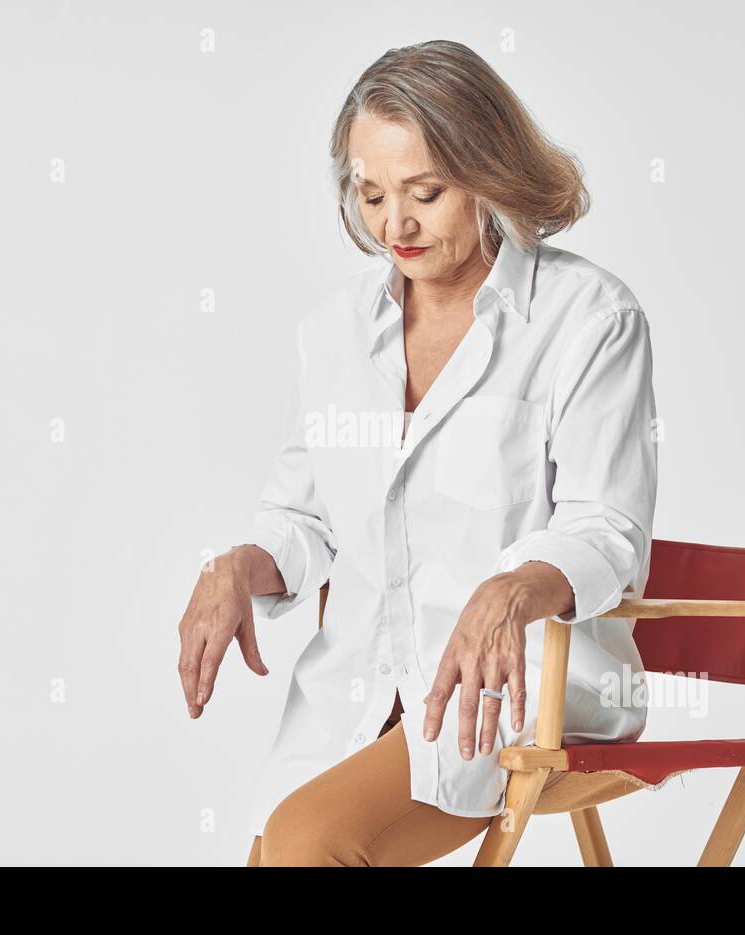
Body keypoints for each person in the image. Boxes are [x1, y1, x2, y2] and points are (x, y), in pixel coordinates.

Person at [177, 39, 658, 866]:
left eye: (425, 193)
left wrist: (513, 587)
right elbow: (303, 516)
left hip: (514, 691)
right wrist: (238, 566)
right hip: (362, 680)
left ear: (486, 172)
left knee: (307, 845)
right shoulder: (332, 337)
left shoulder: (588, 319)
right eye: (370, 194)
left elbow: (608, 525)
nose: (394, 224)